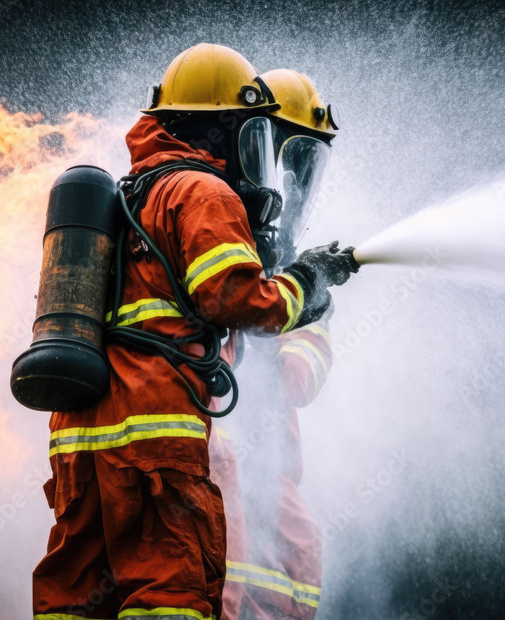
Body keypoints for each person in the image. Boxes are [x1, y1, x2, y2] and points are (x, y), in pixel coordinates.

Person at [32, 44, 357, 620]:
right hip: (159, 434)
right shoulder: (203, 194)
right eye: (250, 136)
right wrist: (306, 281)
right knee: (172, 593)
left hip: (80, 436)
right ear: (225, 131)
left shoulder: (134, 196)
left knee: (75, 596)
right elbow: (235, 298)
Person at [208, 69, 338, 620]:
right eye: (271, 152)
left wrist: (288, 302)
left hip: (266, 464)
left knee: (297, 558)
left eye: (300, 163)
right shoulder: (207, 239)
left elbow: (298, 378)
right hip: (204, 452)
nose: (284, 187)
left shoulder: (305, 283)